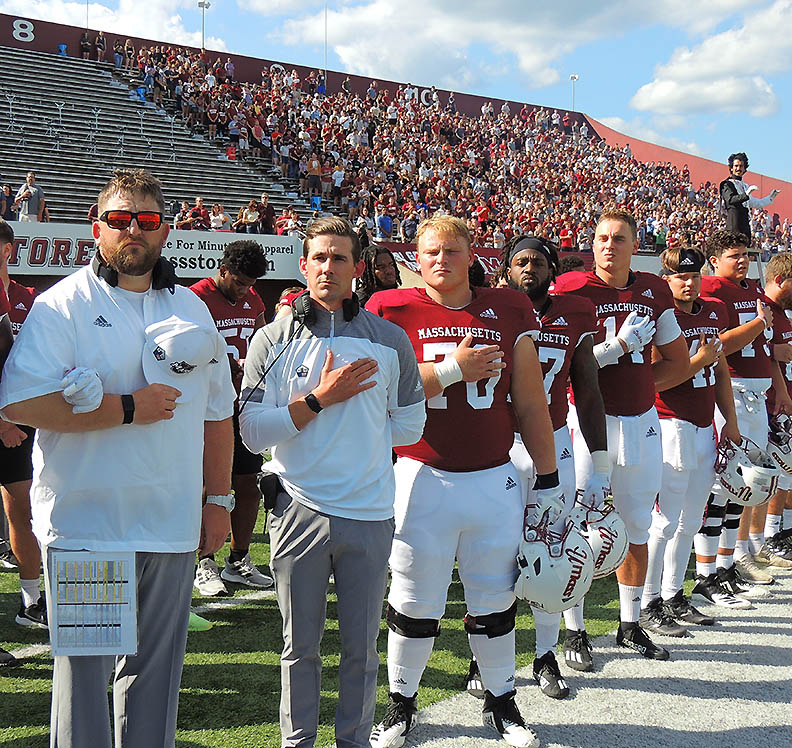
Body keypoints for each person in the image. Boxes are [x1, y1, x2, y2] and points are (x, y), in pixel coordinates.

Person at [0, 169, 236, 748]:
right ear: (97, 228)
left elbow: (216, 414)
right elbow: (23, 402)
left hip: (171, 524)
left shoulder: (192, 306)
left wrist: (220, 499)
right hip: (90, 527)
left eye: (148, 220)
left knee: (156, 682)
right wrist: (127, 408)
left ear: (166, 230)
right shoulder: (64, 304)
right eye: (120, 220)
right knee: (85, 685)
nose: (134, 230)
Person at [368, 216, 560, 748]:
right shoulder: (389, 309)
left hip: (492, 474)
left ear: (470, 253)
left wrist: (548, 476)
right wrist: (453, 369)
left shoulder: (509, 306)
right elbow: (381, 396)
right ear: (416, 256)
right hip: (418, 474)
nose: (440, 260)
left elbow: (528, 400)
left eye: (452, 250)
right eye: (430, 251)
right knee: (412, 596)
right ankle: (401, 704)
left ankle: (502, 701)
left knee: (495, 596)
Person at [239, 217, 425, 748]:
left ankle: (354, 741)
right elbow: (251, 432)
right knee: (300, 646)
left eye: (339, 258)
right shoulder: (272, 338)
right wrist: (322, 400)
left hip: (369, 512)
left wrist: (361, 428)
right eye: (318, 257)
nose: (328, 267)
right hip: (299, 509)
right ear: (302, 266)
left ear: (357, 269)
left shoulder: (389, 339)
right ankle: (297, 742)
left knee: (362, 648)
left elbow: (411, 423)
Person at [467, 235, 606, 700]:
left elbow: (587, 390)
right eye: (520, 262)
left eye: (538, 262)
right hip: (499, 443)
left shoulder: (576, 312)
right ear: (506, 270)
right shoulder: (489, 310)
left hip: (555, 442)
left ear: (553, 270)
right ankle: (482, 657)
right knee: (492, 552)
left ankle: (546, 654)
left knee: (553, 549)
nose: (529, 269)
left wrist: (600, 464)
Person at [553, 208, 688, 663]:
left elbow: (678, 361)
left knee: (636, 523)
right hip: (590, 421)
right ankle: (575, 630)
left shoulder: (653, 290)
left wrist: (645, 385)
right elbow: (568, 364)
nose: (609, 245)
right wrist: (618, 349)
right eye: (602, 238)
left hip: (643, 421)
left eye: (619, 238)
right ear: (592, 245)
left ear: (636, 246)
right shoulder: (571, 288)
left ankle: (629, 623)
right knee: (578, 525)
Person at [643, 247, 740, 633]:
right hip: (671, 425)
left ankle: (672, 595)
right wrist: (696, 361)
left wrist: (730, 419)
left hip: (703, 425)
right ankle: (648, 601)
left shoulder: (712, 312)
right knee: (664, 522)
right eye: (680, 276)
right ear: (665, 279)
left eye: (694, 275)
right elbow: (653, 378)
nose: (688, 281)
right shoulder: (660, 319)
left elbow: (720, 373)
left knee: (690, 521)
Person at [693, 230, 792, 601]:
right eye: (734, 255)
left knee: (743, 487)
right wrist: (758, 324)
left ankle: (727, 565)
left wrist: (780, 389)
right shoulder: (711, 292)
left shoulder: (751, 290)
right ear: (715, 260)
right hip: (729, 395)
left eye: (746, 255)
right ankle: (708, 576)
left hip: (756, 395)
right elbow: (718, 345)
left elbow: (765, 350)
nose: (743, 261)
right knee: (722, 488)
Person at [190, 240, 273, 596]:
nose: (244, 289)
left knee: (248, 481)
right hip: (207, 408)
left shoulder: (253, 299)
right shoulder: (195, 299)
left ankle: (239, 559)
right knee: (207, 485)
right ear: (222, 270)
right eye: (239, 281)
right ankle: (203, 562)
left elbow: (264, 340)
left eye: (250, 283)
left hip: (243, 404)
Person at [0, 219, 44, 630]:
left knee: (24, 512)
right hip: (7, 424)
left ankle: (31, 601)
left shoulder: (29, 300)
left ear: (9, 249)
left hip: (21, 424)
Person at [720, 152, 779, 244]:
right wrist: (746, 195)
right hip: (734, 225)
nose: (738, 168)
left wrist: (769, 198)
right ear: (731, 168)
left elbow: (754, 203)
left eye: (741, 166)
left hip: (745, 226)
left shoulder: (745, 185)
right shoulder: (726, 184)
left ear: (744, 169)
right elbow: (730, 200)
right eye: (736, 166)